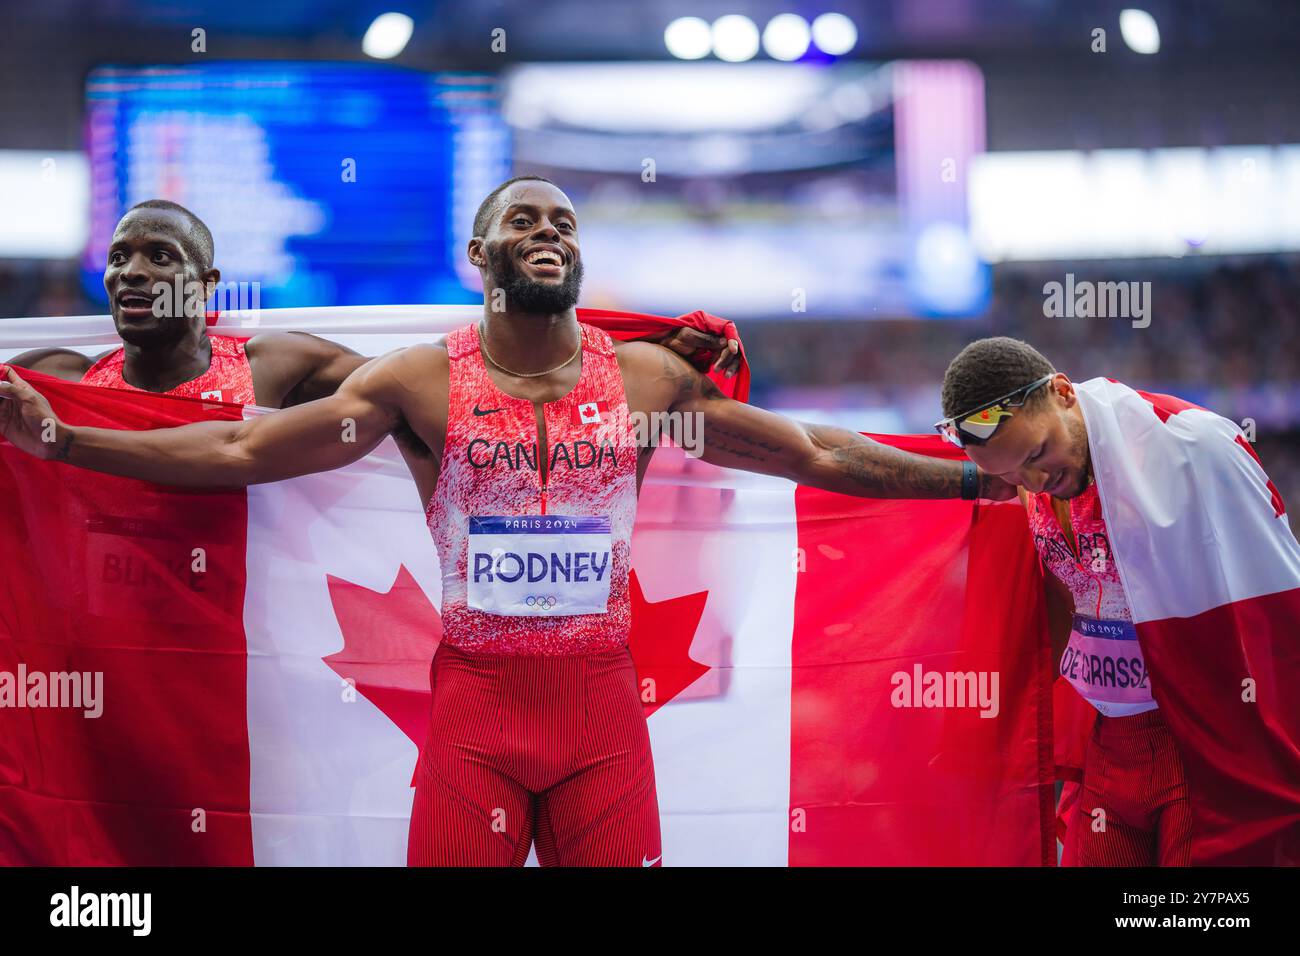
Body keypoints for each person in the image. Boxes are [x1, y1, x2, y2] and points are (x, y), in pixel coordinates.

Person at [2, 176, 1012, 867]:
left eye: (564, 224)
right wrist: (66, 445)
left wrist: (973, 485)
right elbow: (235, 449)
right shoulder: (421, 381)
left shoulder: (648, 381)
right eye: (525, 221)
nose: (548, 233)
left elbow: (812, 452)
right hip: (475, 714)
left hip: (603, 714)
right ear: (480, 251)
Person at [936, 336, 1300, 866]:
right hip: (1108, 742)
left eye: (1037, 454)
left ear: (1062, 392)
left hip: (1199, 740)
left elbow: (1281, 605)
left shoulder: (1193, 447)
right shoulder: (1028, 472)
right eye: (1010, 475)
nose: (1035, 481)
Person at [7, 199, 743, 414]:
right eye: (118, 257)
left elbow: (453, 380)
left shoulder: (274, 366)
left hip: (231, 643)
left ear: (206, 285)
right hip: (93, 646)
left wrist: (635, 343)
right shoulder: (61, 378)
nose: (132, 273)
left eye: (159, 258)